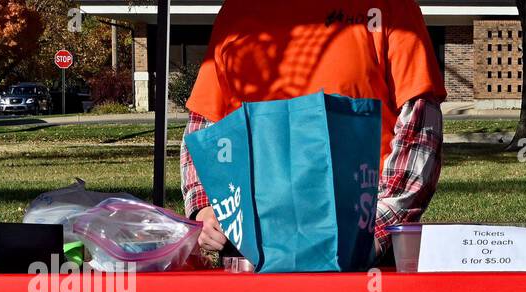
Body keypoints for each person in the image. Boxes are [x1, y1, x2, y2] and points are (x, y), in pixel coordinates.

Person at [180, 0, 446, 259]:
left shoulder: (389, 6)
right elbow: (204, 126)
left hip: (359, 242)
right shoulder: (238, 10)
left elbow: (420, 123)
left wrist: (372, 231)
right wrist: (205, 207)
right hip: (252, 247)